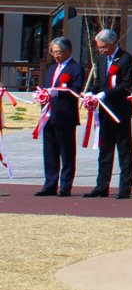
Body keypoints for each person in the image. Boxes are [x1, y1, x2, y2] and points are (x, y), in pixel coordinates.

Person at [84, 29, 132, 199]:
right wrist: (92, 92)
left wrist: (107, 93)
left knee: (124, 150)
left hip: (120, 110)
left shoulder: (126, 58)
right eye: (99, 48)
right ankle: (101, 186)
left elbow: (125, 84)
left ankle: (124, 188)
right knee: (104, 150)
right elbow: (99, 82)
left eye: (104, 47)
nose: (101, 50)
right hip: (104, 111)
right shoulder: (101, 59)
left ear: (113, 43)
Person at [34, 37, 86, 197]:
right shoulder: (51, 69)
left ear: (68, 51)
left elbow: (76, 89)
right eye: (53, 52)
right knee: (49, 152)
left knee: (67, 152)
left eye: (59, 52)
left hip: (65, 116)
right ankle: (50, 184)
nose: (56, 55)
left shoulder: (75, 68)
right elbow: (45, 86)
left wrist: (59, 92)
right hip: (49, 115)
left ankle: (65, 186)